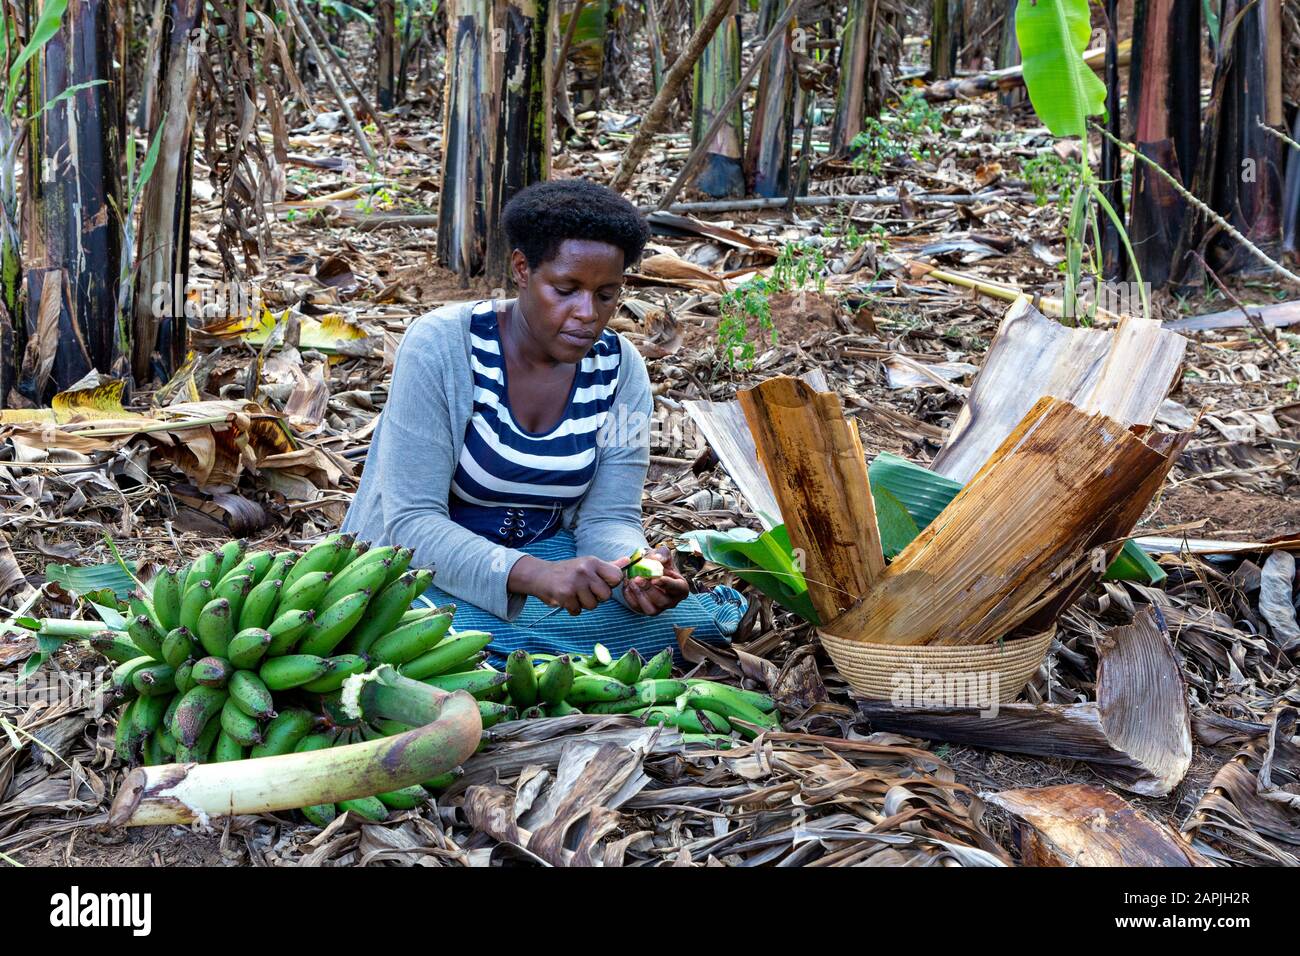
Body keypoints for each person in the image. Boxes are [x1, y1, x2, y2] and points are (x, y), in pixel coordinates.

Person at [342, 179, 745, 662]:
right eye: (566, 289)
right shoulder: (441, 347)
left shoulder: (623, 371)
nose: (586, 314)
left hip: (552, 556)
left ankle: (536, 647)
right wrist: (534, 576)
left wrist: (631, 572)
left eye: (606, 295)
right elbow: (412, 522)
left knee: (691, 630)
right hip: (425, 567)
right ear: (522, 269)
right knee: (434, 638)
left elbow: (610, 517)